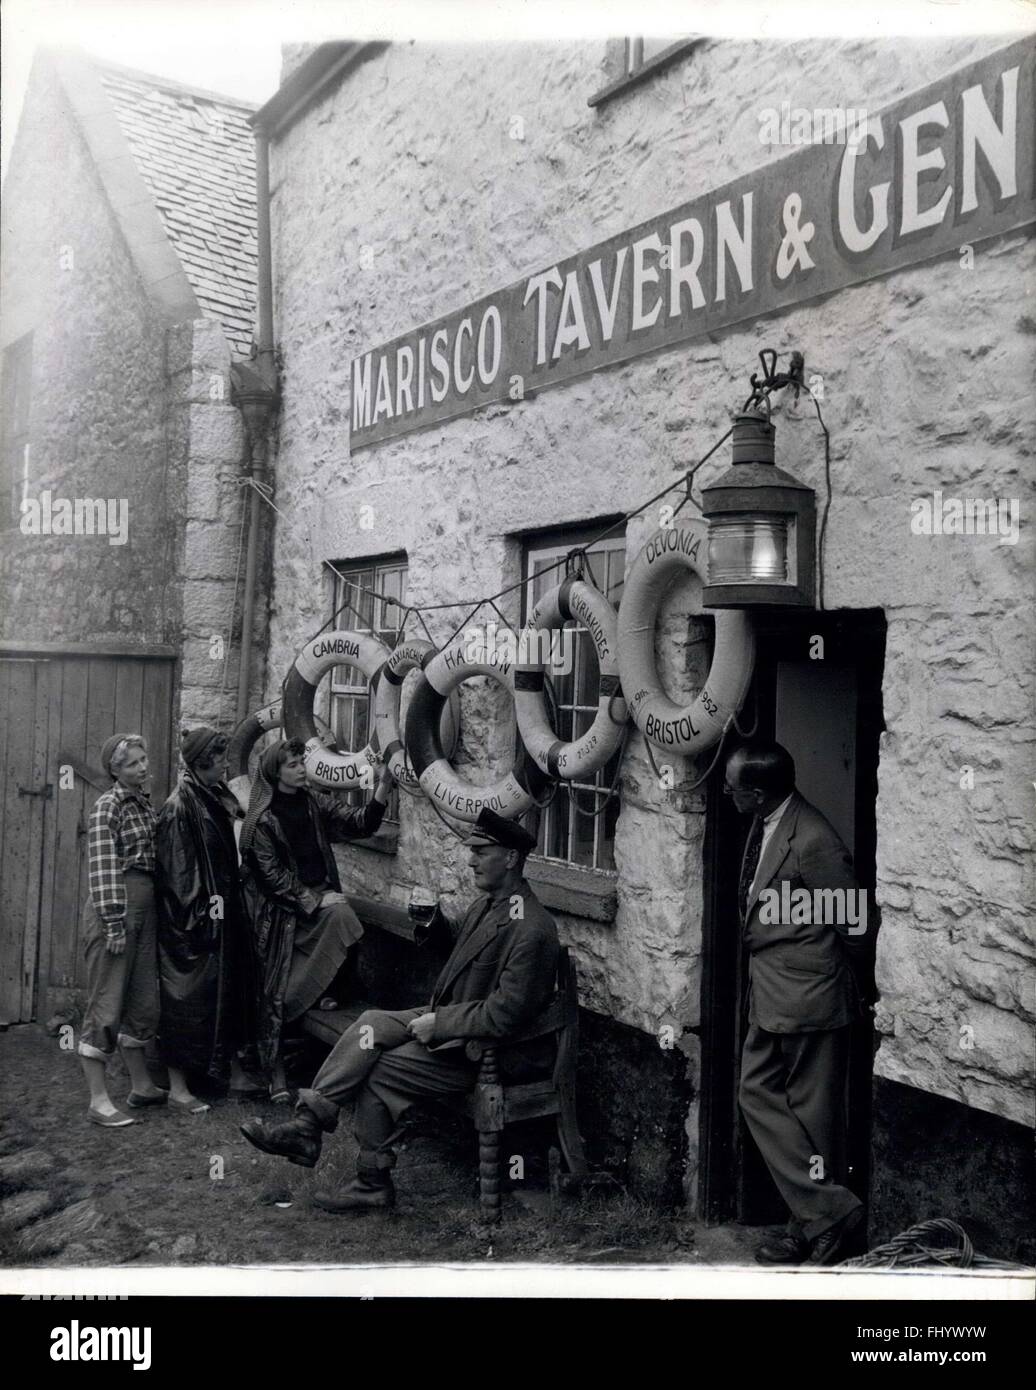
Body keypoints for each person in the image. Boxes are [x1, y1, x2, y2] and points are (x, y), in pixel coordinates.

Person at [239, 810, 559, 1215]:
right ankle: (307, 1126)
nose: (471, 861)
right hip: (453, 1025)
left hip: (486, 1052)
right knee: (369, 1024)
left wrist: (439, 1024)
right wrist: (434, 924)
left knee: (379, 1067)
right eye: (472, 852)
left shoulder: (533, 927)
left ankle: (371, 1183)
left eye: (481, 852)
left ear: (511, 858)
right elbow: (464, 947)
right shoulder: (491, 905)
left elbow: (508, 1013)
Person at [725, 740, 877, 1267]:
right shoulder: (768, 821)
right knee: (756, 1092)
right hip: (772, 992)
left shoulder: (813, 839)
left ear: (760, 794)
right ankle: (828, 1212)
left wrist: (854, 982)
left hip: (812, 995)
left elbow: (855, 922)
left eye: (735, 788)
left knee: (814, 1116)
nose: (728, 793)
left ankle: (817, 1230)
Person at [239, 739, 393, 1100]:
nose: (300, 769)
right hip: (279, 918)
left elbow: (358, 823)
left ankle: (328, 998)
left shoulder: (312, 801)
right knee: (276, 993)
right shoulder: (260, 818)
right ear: (276, 772)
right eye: (292, 765)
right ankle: (275, 1073)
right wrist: (314, 899)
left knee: (343, 916)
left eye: (300, 762)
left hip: (320, 906)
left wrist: (383, 788)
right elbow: (272, 876)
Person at [154, 726, 261, 1114]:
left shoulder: (210, 795)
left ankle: (233, 1074)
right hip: (193, 923)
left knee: (228, 994)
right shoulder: (180, 808)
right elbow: (178, 878)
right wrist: (204, 918)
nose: (227, 765)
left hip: (221, 913)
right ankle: (178, 1089)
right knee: (186, 999)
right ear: (202, 763)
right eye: (220, 760)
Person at [78, 733, 166, 1127]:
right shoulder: (107, 806)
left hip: (145, 910)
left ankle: (142, 1086)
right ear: (115, 770)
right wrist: (114, 923)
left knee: (144, 1000)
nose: (142, 767)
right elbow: (104, 869)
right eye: (132, 763)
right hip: (116, 910)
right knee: (108, 1000)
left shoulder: (144, 804)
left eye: (144, 759)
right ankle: (99, 1100)